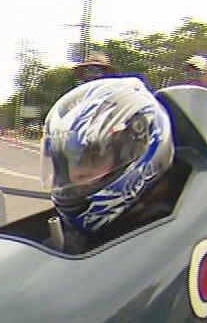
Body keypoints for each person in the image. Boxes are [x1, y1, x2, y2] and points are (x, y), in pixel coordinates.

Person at [41, 77, 176, 254]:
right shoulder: (66, 236)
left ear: (134, 149)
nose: (78, 172)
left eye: (94, 156)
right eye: (69, 159)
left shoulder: (165, 239)